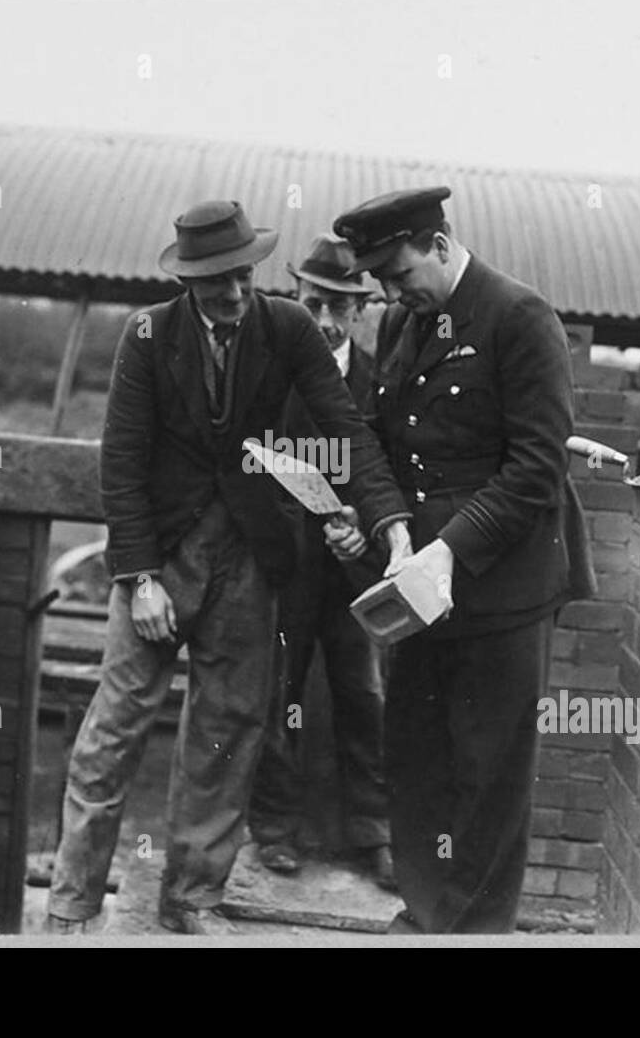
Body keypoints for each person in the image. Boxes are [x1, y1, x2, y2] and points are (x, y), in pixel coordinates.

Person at [47, 200, 411, 935]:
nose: (236, 294)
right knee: (113, 730)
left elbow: (346, 430)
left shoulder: (287, 327)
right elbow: (120, 463)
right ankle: (71, 905)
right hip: (165, 558)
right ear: (188, 280)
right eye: (218, 282)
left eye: (244, 275)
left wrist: (387, 520)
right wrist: (140, 577)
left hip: (250, 559)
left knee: (227, 730)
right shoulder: (147, 335)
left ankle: (192, 898)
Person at [329, 187, 596, 934]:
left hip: (502, 586)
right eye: (379, 280)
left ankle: (472, 929)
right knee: (415, 754)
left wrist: (448, 549)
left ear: (439, 243)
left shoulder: (519, 317)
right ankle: (424, 913)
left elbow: (538, 466)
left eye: (400, 270)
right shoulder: (403, 323)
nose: (390, 291)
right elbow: (376, 441)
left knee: (488, 770)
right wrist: (386, 528)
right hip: (417, 586)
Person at [247, 234, 394, 889]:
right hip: (287, 561)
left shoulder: (378, 380)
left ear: (361, 308)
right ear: (295, 299)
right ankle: (273, 828)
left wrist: (362, 525)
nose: (328, 319)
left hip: (352, 565)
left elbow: (384, 469)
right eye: (315, 303)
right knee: (278, 688)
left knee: (364, 694)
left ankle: (375, 832)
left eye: (341, 306)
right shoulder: (270, 372)